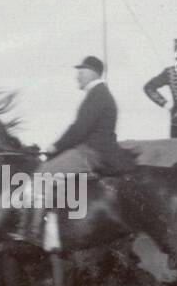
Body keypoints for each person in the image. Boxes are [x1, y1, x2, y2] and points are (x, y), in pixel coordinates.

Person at [11, 56, 135, 246]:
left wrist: (56, 147)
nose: (77, 76)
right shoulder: (99, 94)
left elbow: (79, 128)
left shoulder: (98, 95)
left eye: (81, 71)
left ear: (92, 72)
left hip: (92, 153)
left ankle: (32, 231)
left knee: (43, 173)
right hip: (92, 150)